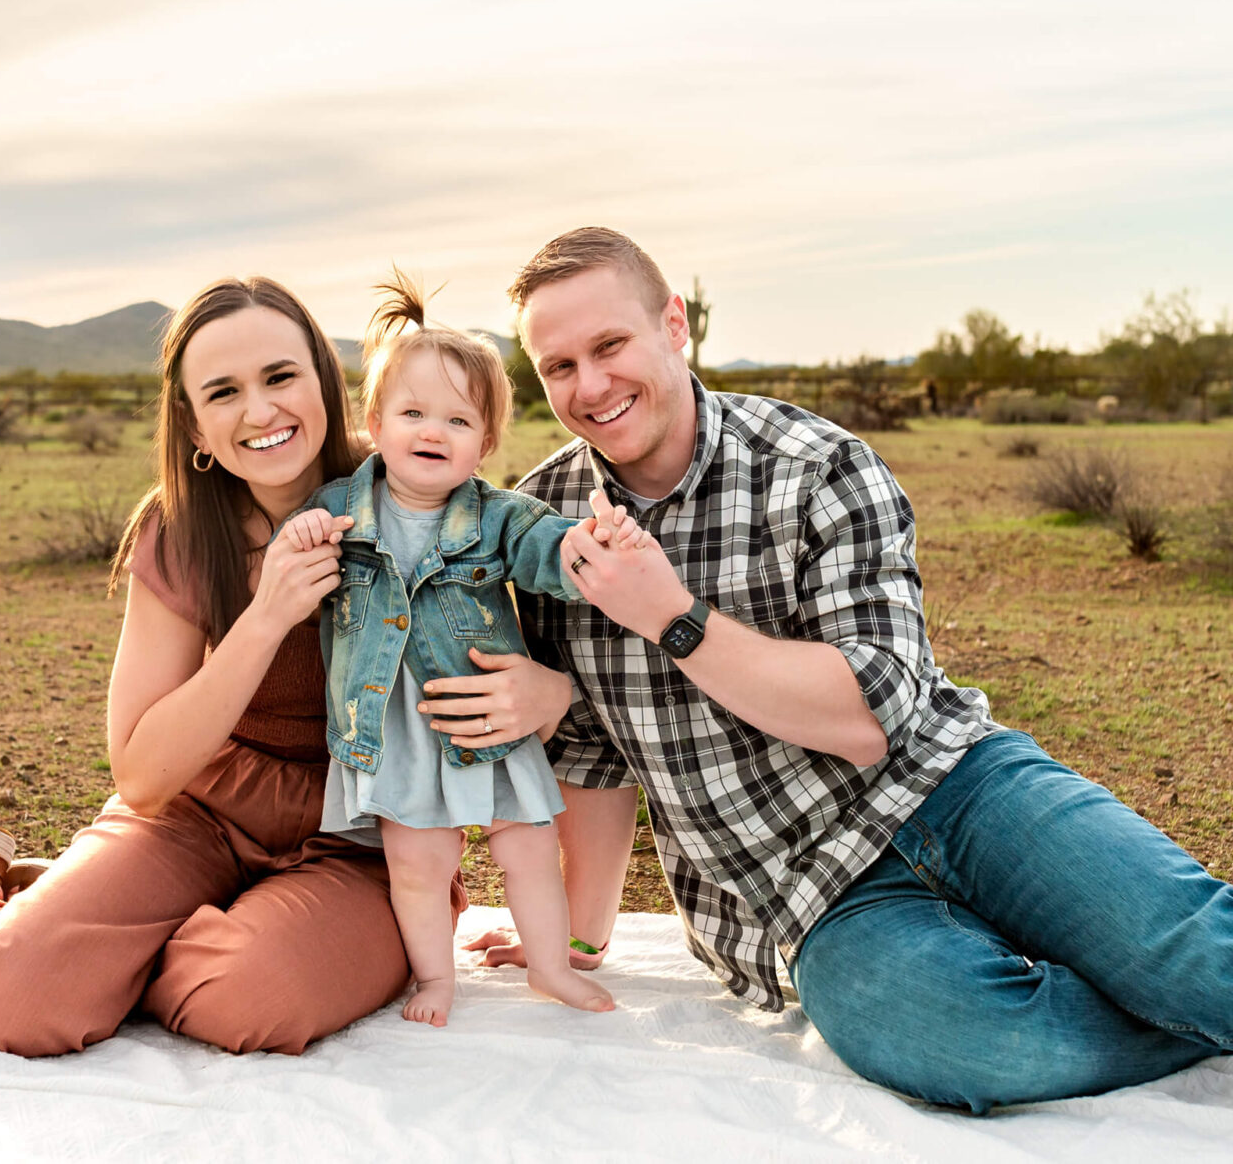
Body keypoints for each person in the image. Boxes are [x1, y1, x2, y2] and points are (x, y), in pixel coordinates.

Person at [466, 225, 1233, 1112]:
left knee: (1192, 948)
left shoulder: (815, 462)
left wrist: (672, 616)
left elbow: (870, 715)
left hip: (957, 789)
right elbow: (597, 749)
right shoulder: (547, 524)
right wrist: (580, 939)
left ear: (675, 324)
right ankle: (1157, 1014)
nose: (589, 385)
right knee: (965, 1039)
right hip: (806, 893)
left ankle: (1162, 981)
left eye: (609, 345)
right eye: (558, 366)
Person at [0, 275, 440, 1056]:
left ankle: (111, 945)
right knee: (0, 996)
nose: (260, 411)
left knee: (253, 997)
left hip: (364, 837)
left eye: (281, 376)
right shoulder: (181, 528)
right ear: (192, 420)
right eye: (223, 392)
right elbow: (143, 776)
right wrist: (266, 616)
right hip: (202, 810)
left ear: (326, 378)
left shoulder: (414, 494)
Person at [282, 273, 639, 1026]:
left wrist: (587, 546)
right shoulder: (339, 509)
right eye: (412, 412)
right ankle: (436, 978)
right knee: (419, 864)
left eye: (456, 419)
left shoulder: (502, 516)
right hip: (396, 727)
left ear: (485, 442)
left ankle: (549, 967)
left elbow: (549, 554)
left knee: (530, 848)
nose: (432, 432)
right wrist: (301, 536)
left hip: (488, 721)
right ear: (376, 423)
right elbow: (292, 554)